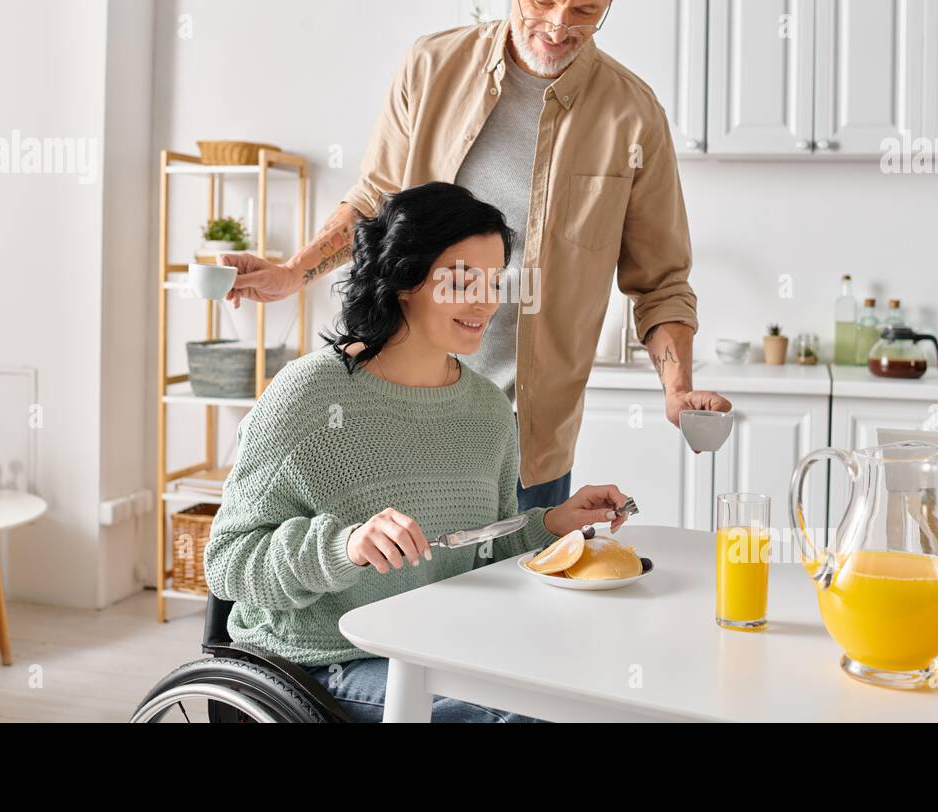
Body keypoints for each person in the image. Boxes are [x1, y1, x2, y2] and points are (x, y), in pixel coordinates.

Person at [220, 0, 731, 512]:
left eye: (585, 10)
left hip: (525, 441)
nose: (557, 25)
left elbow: (662, 281)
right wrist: (292, 272)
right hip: (391, 406)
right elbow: (376, 199)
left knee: (511, 598)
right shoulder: (430, 67)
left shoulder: (633, 116)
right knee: (379, 596)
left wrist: (678, 388)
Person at [203, 182, 629, 722]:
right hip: (319, 666)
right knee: (515, 716)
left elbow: (481, 550)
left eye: (495, 281)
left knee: (591, 693)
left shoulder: (487, 412)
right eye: (462, 280)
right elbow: (226, 563)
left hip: (437, 649)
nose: (485, 302)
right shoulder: (308, 396)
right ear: (405, 276)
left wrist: (553, 524)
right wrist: (345, 547)